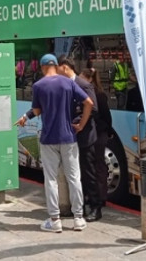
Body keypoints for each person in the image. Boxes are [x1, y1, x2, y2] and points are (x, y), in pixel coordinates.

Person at [16, 54, 94, 233]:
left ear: (42, 67)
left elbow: (37, 110)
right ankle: (78, 218)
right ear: (56, 65)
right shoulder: (68, 83)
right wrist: (81, 125)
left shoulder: (38, 86)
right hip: (69, 137)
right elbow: (88, 102)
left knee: (51, 179)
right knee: (74, 178)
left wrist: (25, 117)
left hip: (48, 139)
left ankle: (55, 220)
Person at [57, 56, 101, 221]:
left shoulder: (83, 85)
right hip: (69, 137)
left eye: (58, 69)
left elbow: (93, 109)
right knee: (75, 174)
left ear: (65, 67)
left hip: (84, 137)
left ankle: (95, 207)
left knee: (88, 173)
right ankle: (79, 206)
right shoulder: (63, 85)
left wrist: (78, 122)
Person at [80, 67, 113, 221]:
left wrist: (106, 130)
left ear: (90, 79)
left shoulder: (98, 95)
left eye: (82, 79)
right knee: (94, 166)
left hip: (98, 134)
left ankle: (99, 197)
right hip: (96, 133)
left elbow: (105, 116)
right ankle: (95, 197)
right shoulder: (93, 93)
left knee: (96, 165)